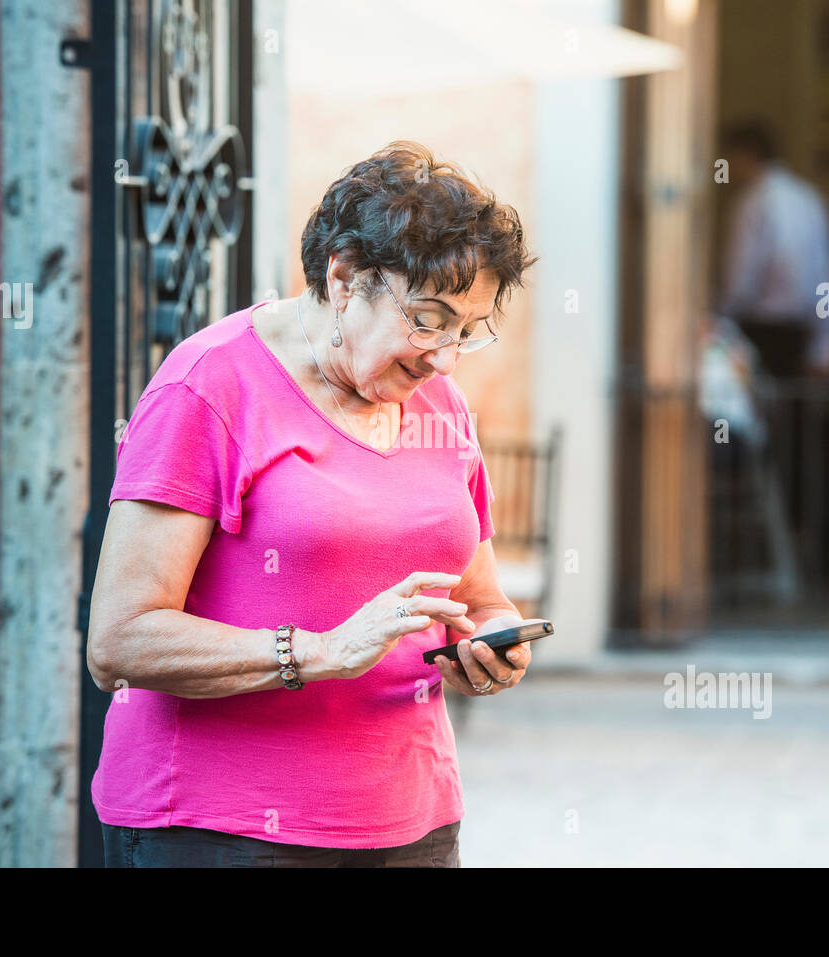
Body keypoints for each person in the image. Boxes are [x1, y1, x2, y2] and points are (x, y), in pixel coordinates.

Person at [86, 141, 541, 867]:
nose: (444, 356)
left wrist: (492, 639)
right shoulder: (208, 385)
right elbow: (119, 642)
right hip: (223, 829)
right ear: (344, 278)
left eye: (466, 330)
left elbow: (481, 596)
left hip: (412, 822)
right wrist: (322, 651)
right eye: (427, 320)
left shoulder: (438, 402)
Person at [719, 121, 829, 378]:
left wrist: (725, 316)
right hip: (801, 327)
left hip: (761, 326)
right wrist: (824, 339)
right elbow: (825, 270)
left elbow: (743, 270)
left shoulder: (754, 201)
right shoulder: (808, 198)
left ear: (744, 155)